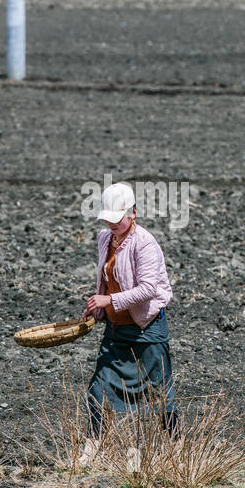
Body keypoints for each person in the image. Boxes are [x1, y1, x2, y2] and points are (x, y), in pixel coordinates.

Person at [84, 182, 176, 438]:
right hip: (116, 331)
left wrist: (109, 301)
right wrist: (97, 307)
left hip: (146, 330)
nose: (112, 224)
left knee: (161, 395)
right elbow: (107, 278)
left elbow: (148, 289)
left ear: (133, 213)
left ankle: (176, 446)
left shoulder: (145, 243)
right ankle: (93, 447)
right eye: (108, 219)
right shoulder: (105, 238)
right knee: (97, 390)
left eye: (118, 218)